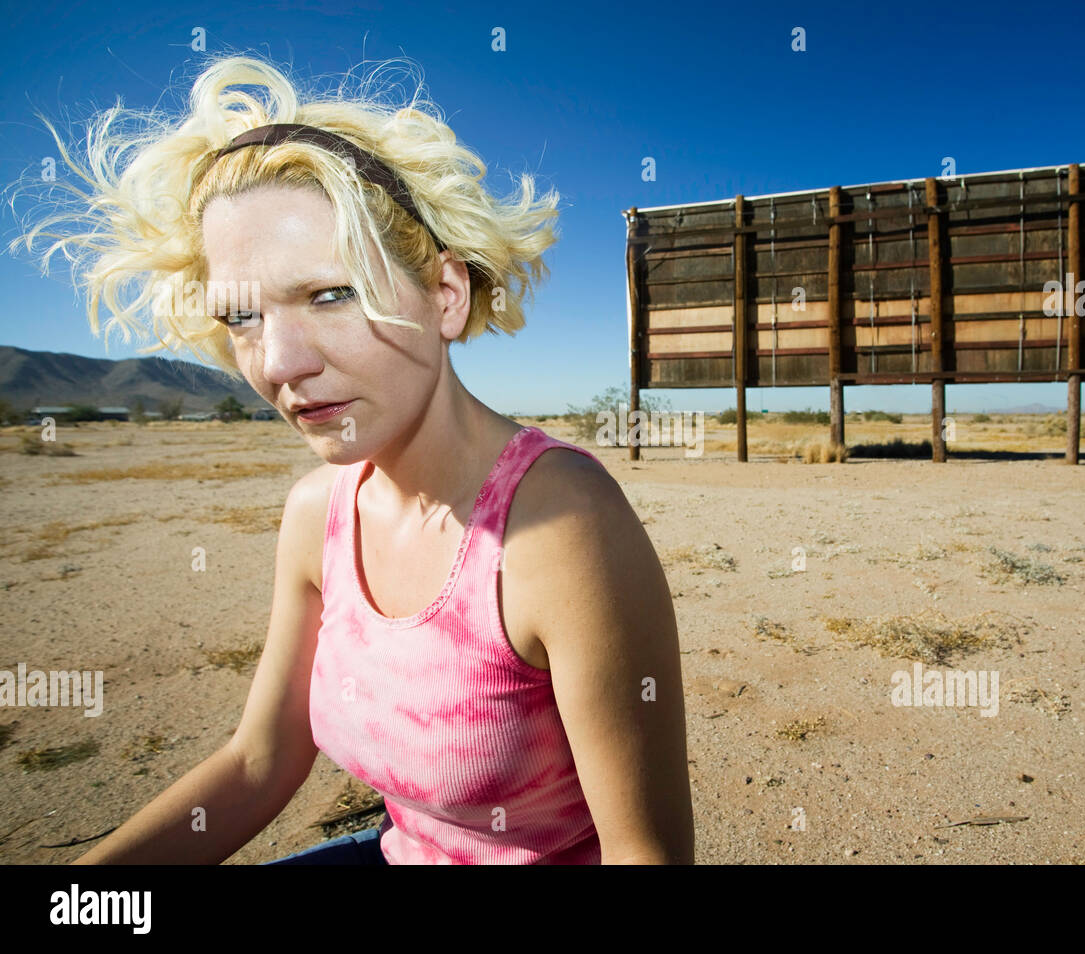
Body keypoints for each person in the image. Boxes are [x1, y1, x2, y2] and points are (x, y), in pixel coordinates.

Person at [10, 53, 693, 864]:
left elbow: (645, 855)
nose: (278, 362)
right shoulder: (317, 513)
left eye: (330, 295)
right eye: (243, 317)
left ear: (445, 294)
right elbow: (261, 763)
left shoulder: (560, 527)